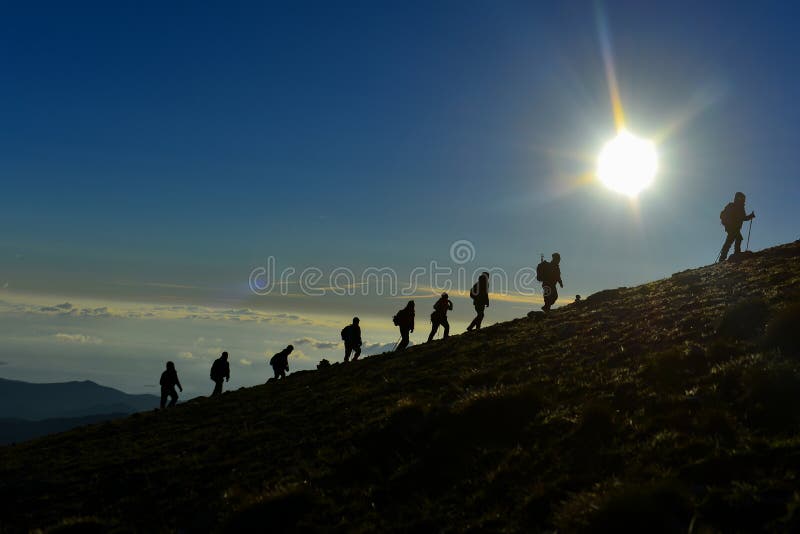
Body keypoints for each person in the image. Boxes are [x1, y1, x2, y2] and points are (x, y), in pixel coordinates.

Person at [718, 191, 756, 262]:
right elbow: (743, 218)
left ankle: (724, 257)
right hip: (732, 228)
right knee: (736, 239)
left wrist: (751, 216)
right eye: (742, 198)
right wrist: (751, 216)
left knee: (731, 240)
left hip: (733, 228)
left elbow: (743, 218)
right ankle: (734, 253)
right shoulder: (735, 206)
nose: (743, 200)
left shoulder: (739, 207)